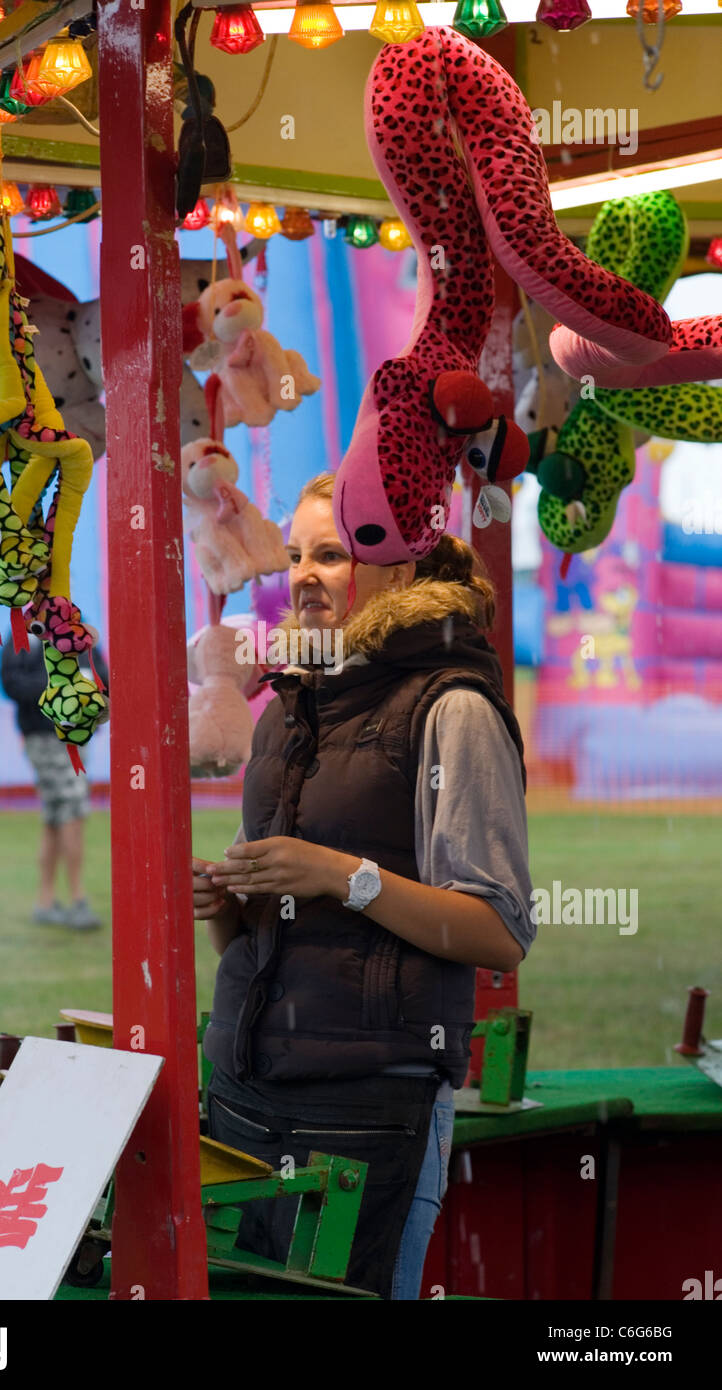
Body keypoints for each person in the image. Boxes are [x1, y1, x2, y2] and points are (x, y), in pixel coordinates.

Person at [193, 472, 535, 1300]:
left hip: (368, 1115)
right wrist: (228, 900)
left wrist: (341, 876)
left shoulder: (453, 708)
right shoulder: (287, 707)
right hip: (240, 1095)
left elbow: (499, 930)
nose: (305, 574)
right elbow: (259, 934)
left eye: (334, 554)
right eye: (299, 554)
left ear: (401, 567)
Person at [0, 629, 108, 931]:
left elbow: (103, 676)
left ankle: (45, 902)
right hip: (44, 738)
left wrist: (78, 689)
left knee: (56, 814)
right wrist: (61, 687)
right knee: (73, 808)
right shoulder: (23, 636)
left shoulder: (76, 628)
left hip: (76, 737)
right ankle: (78, 900)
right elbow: (11, 683)